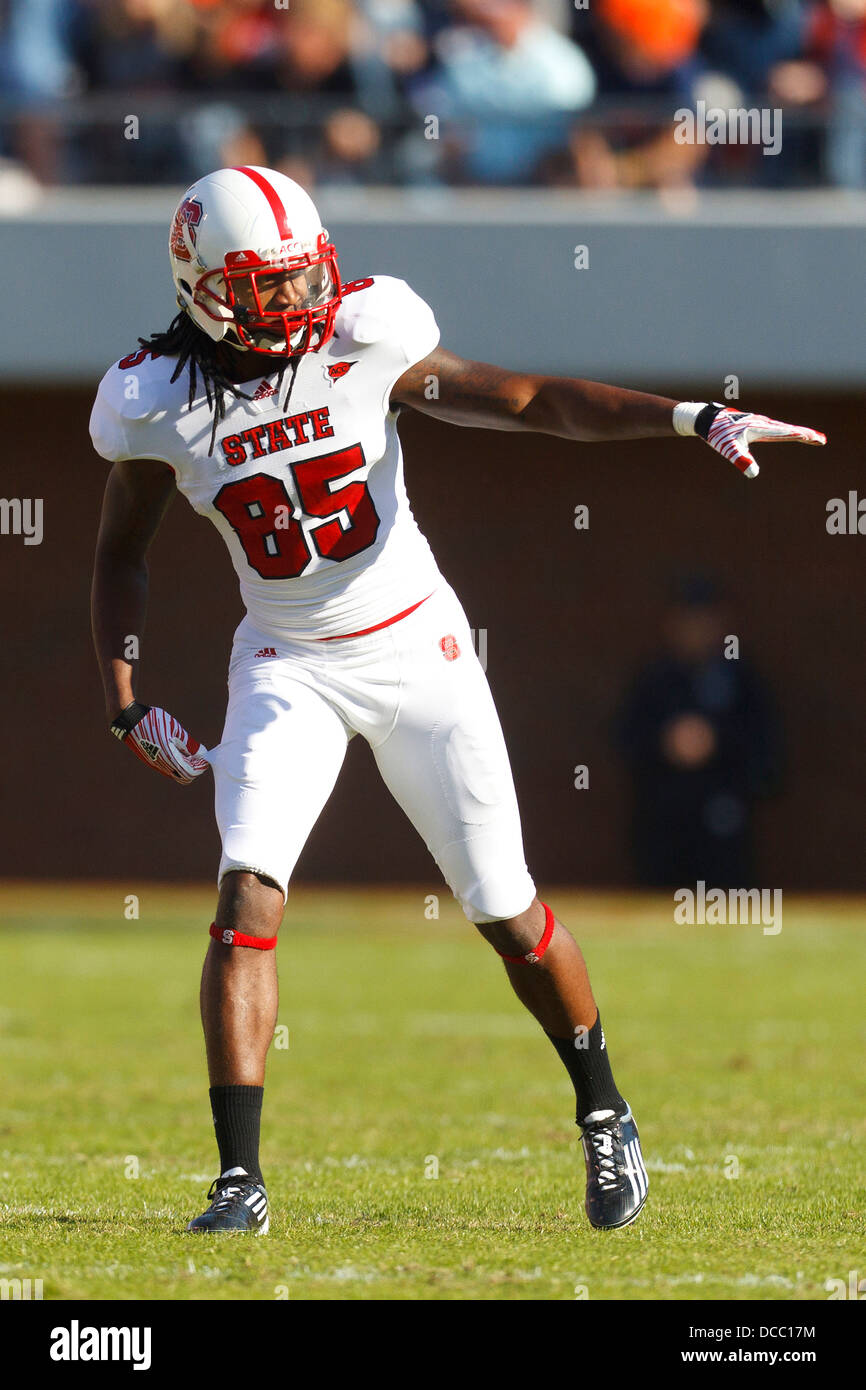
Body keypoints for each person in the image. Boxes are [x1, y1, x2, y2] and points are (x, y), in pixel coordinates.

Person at [89, 165, 824, 1234]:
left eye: (303, 277)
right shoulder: (150, 401)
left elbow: (528, 400)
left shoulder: (365, 334)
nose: (296, 303)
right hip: (286, 661)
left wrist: (684, 415)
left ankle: (604, 1109)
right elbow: (119, 553)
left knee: (504, 908)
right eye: (266, 287)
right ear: (200, 287)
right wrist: (121, 698)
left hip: (418, 650)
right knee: (246, 897)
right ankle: (238, 1181)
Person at [618, 575, 783, 887]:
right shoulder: (654, 679)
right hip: (662, 827)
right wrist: (666, 742)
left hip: (722, 828)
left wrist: (715, 740)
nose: (695, 629)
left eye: (703, 619)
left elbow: (769, 759)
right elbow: (625, 741)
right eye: (687, 619)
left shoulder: (744, 681)